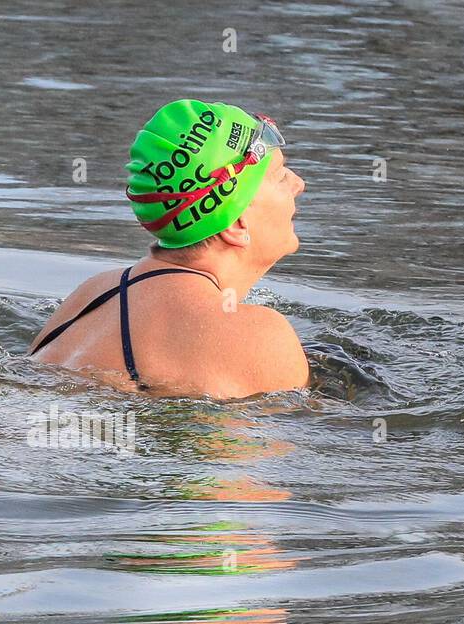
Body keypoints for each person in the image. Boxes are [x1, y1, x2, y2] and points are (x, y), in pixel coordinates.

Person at [28, 99, 309, 400]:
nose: (299, 184)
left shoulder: (92, 295)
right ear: (236, 225)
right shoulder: (262, 337)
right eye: (281, 176)